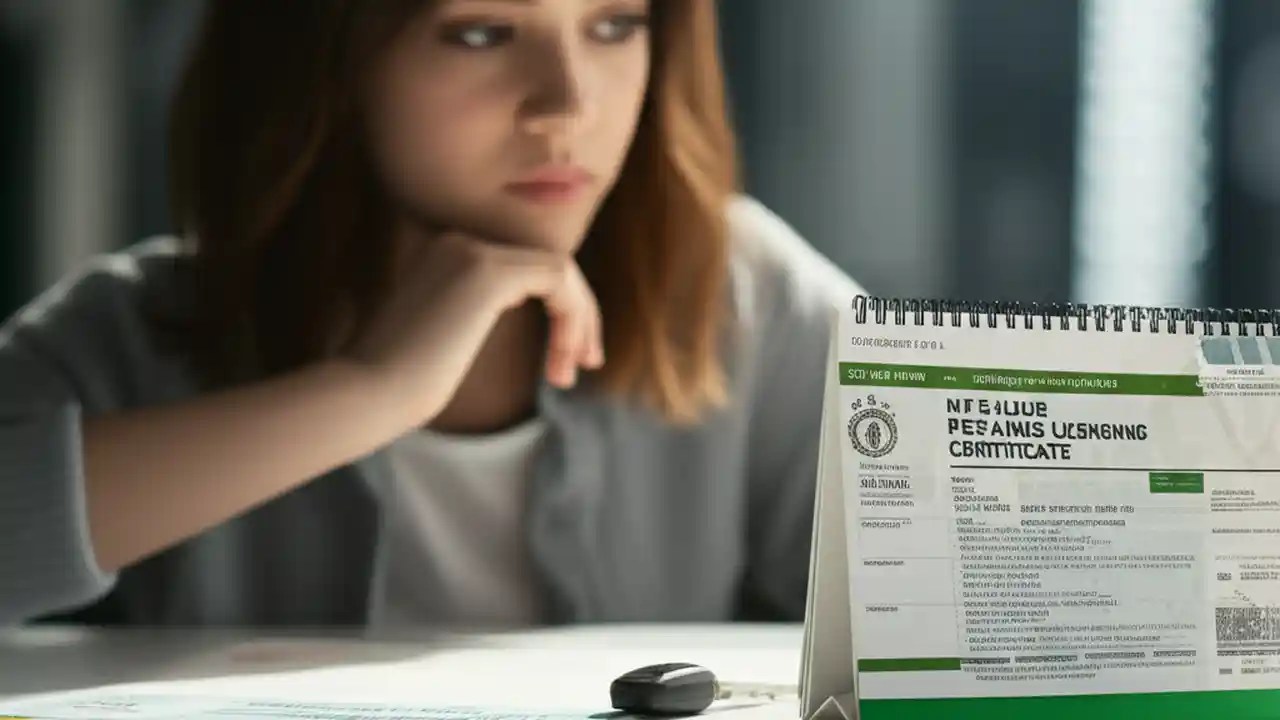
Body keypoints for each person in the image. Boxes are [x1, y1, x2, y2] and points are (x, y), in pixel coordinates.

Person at [0, 0, 864, 628]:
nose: (568, 104)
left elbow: (942, 599)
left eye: (614, 25)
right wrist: (369, 392)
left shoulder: (741, 292)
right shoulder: (129, 334)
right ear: (324, 61)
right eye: (482, 33)